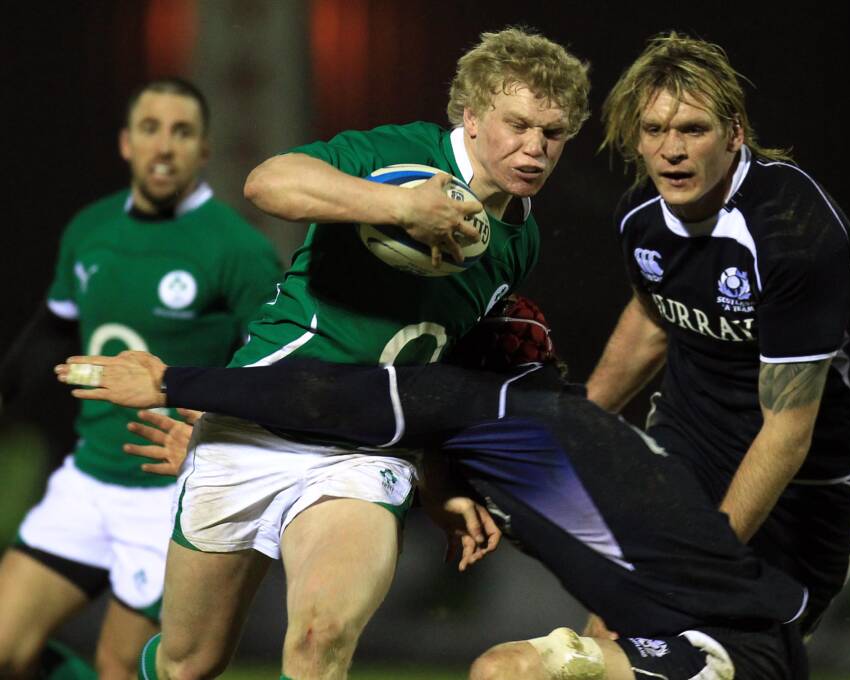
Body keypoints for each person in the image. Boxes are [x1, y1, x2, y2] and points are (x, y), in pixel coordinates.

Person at [119, 28, 590, 680]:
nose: (534, 148)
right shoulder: (399, 153)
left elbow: (438, 368)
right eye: (517, 124)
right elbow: (267, 182)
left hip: (364, 453)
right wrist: (397, 205)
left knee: (322, 637)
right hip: (259, 418)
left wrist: (437, 477)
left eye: (553, 133)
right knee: (186, 663)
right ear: (474, 116)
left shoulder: (520, 237)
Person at [55, 294, 810, 679]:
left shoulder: (483, 408)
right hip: (709, 637)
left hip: (725, 652)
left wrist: (169, 382)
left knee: (507, 673)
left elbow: (320, 395)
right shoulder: (536, 426)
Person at [586, 33, 850, 638]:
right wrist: (567, 430)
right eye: (655, 130)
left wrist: (698, 565)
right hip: (690, 438)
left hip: (804, 479)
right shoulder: (640, 215)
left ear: (735, 132)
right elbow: (650, 320)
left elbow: (789, 434)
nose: (671, 151)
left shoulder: (795, 235)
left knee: (743, 655)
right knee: (615, 628)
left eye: (693, 129)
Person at [0, 78, 281, 679]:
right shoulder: (90, 230)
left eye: (182, 132)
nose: (165, 146)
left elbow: (279, 369)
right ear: (126, 143)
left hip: (173, 496)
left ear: (204, 150)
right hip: (88, 479)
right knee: (6, 649)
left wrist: (218, 434)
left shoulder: (237, 250)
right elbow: (53, 325)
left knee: (120, 667)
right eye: (151, 129)